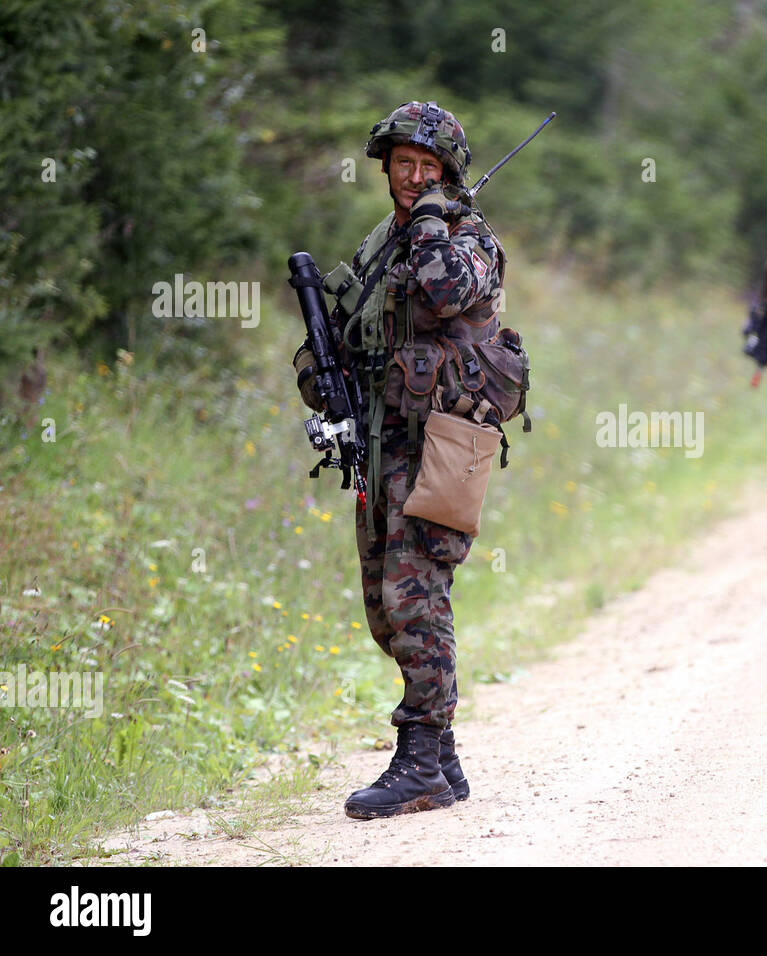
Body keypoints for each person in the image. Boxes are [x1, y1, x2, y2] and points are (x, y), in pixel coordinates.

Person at [294, 101, 505, 818]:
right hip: (383, 440)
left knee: (415, 600)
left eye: (428, 167)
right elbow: (342, 317)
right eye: (403, 165)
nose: (413, 178)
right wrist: (318, 375)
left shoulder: (464, 236)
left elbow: (449, 292)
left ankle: (417, 758)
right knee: (384, 609)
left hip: (443, 441)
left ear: (448, 172)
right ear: (386, 166)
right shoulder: (383, 240)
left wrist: (430, 221)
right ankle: (442, 761)